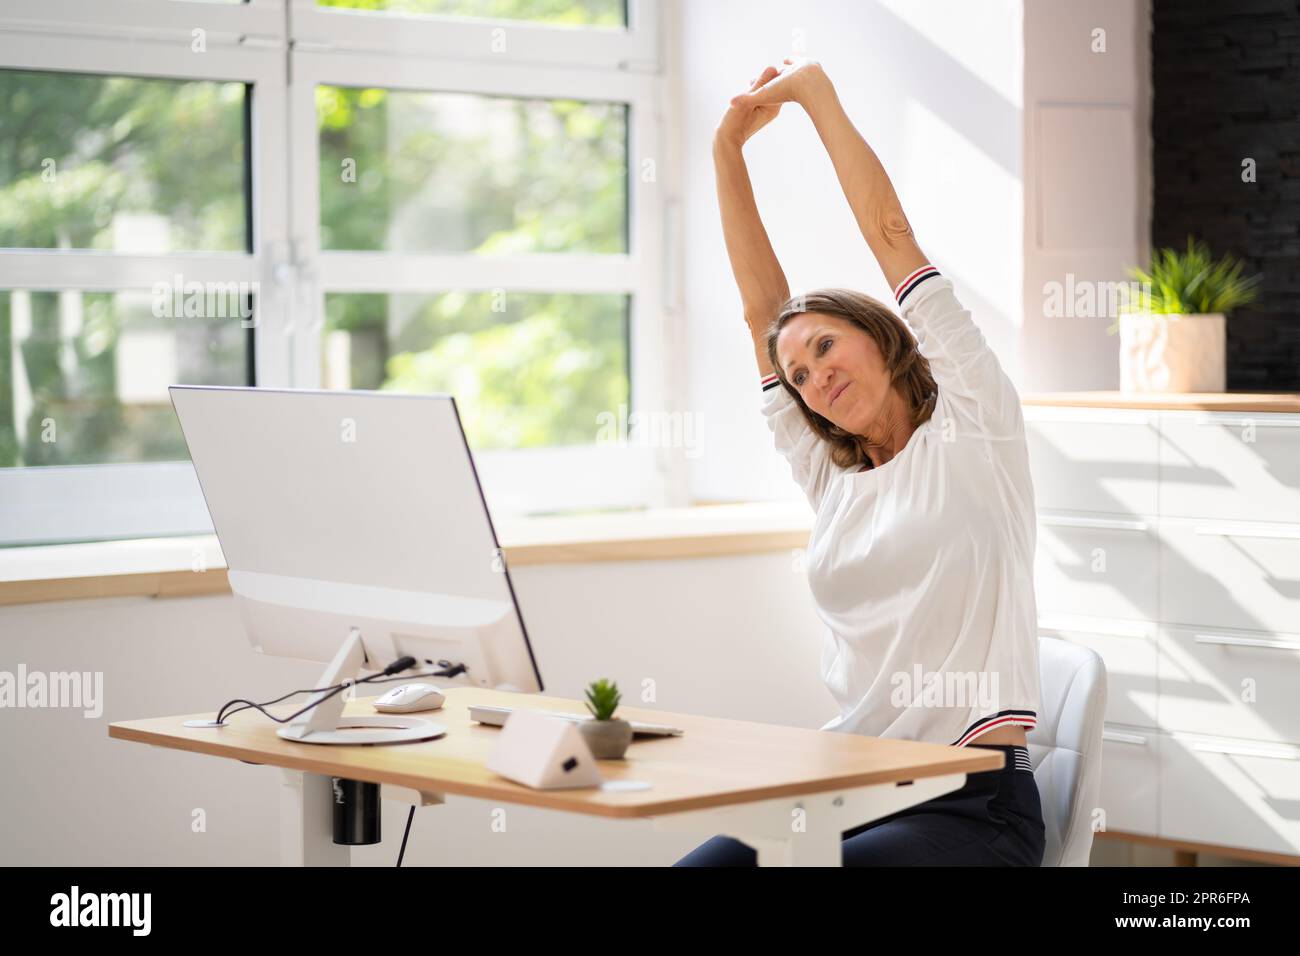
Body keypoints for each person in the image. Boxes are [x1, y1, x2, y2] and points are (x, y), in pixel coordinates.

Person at [675, 59, 1045, 866]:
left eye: (827, 345)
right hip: (846, 781)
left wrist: (814, 94)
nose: (814, 376)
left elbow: (892, 235)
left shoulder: (976, 423)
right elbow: (757, 312)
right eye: (798, 374)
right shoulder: (830, 478)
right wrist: (725, 152)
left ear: (880, 334)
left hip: (973, 802)